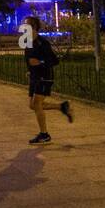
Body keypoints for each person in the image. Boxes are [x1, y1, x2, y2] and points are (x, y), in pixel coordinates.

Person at [22, 16, 73, 144]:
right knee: (32, 105)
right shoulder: (28, 42)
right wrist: (30, 70)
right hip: (35, 77)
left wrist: (40, 62)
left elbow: (54, 61)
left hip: (45, 76)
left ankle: (44, 134)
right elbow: (29, 60)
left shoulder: (42, 43)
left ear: (34, 28)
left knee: (37, 103)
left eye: (26, 25)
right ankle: (62, 106)